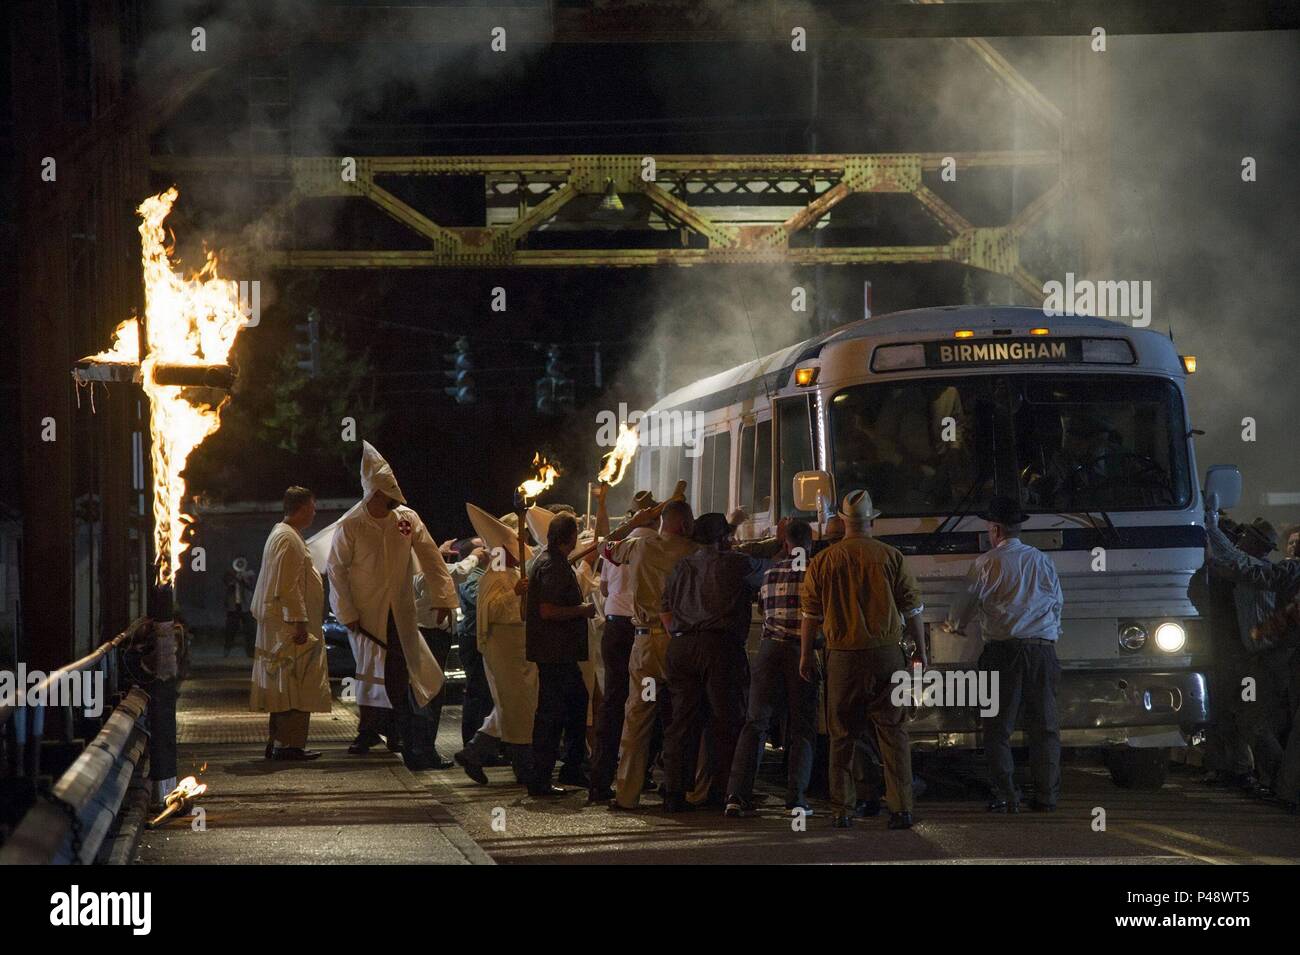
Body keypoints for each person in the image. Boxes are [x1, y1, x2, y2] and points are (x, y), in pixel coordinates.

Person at [325, 442, 455, 771]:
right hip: (368, 619)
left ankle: (411, 745)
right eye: (386, 494)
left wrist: (442, 599)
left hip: (403, 616)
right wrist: (348, 614)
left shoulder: (406, 519)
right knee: (380, 682)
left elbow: (432, 558)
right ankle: (403, 744)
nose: (393, 500)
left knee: (415, 679)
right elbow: (337, 572)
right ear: (374, 493)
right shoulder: (350, 525)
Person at [800, 489, 923, 830]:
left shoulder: (823, 561)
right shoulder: (891, 556)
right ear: (872, 520)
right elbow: (912, 609)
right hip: (886, 655)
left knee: (842, 736)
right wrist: (922, 654)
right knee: (894, 732)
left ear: (842, 521)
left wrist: (806, 655)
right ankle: (901, 809)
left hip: (842, 658)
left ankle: (843, 809)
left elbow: (810, 614)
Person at [945, 495, 1064, 813]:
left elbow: (961, 611)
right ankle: (1046, 796)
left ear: (995, 529)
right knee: (1046, 728)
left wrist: (954, 626)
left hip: (1003, 654)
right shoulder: (1042, 560)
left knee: (997, 728)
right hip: (1042, 651)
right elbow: (1056, 602)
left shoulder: (985, 564)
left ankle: (1007, 795)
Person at [658, 512, 762, 811]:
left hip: (681, 645)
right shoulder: (735, 563)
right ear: (723, 539)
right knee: (727, 720)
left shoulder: (681, 566)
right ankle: (722, 792)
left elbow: (665, 607)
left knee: (682, 722)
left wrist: (679, 634)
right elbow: (769, 569)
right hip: (720, 647)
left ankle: (674, 793)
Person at [1204, 496, 1300, 811]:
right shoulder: (1273, 572)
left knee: (1257, 719)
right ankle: (1275, 783)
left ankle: (1277, 783)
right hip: (1270, 657)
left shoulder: (1270, 573)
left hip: (1271, 657)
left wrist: (1210, 525)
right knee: (1263, 719)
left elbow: (1234, 562)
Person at [604, 499, 699, 809]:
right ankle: (677, 792)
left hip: (646, 646)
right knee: (680, 719)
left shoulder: (639, 546)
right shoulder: (693, 551)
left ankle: (627, 794)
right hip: (680, 644)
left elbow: (606, 547)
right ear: (685, 524)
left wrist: (635, 521)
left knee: (638, 717)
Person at [726, 519, 819, 817]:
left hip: (769, 650)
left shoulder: (770, 571)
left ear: (786, 544)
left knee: (756, 722)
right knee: (802, 725)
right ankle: (796, 799)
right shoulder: (816, 571)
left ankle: (737, 796)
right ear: (810, 543)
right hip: (800, 651)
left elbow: (764, 609)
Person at [456, 504, 537, 786]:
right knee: (514, 705)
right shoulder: (495, 574)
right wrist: (515, 593)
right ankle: (523, 766)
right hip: (504, 647)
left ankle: (474, 752)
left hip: (519, 647)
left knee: (515, 705)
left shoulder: (512, 571)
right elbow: (489, 610)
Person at [249, 487, 332, 760]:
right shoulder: (288, 539)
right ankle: (289, 745)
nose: (315, 512)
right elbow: (287, 586)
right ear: (301, 508)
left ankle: (281, 742)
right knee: (294, 685)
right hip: (290, 627)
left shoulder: (284, 535)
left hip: (283, 624)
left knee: (285, 685)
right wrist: (299, 622)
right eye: (312, 507)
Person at [589, 491, 659, 803]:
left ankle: (600, 782)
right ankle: (639, 776)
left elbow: (603, 587)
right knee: (649, 703)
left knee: (613, 705)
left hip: (616, 630)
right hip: (645, 634)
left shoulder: (614, 547)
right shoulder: (658, 544)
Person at [526, 512, 596, 797]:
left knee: (574, 703)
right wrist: (583, 610)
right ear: (571, 537)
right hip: (556, 653)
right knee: (551, 716)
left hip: (557, 653)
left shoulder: (547, 561)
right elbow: (548, 610)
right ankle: (542, 778)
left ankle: (570, 766)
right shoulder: (553, 565)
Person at [224, 557, 257, 657]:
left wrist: (242, 578)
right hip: (233, 607)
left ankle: (250, 652)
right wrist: (235, 578)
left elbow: (250, 586)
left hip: (246, 607)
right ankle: (227, 650)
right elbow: (228, 584)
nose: (239, 566)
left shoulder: (250, 574)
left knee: (250, 630)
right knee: (230, 629)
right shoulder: (230, 575)